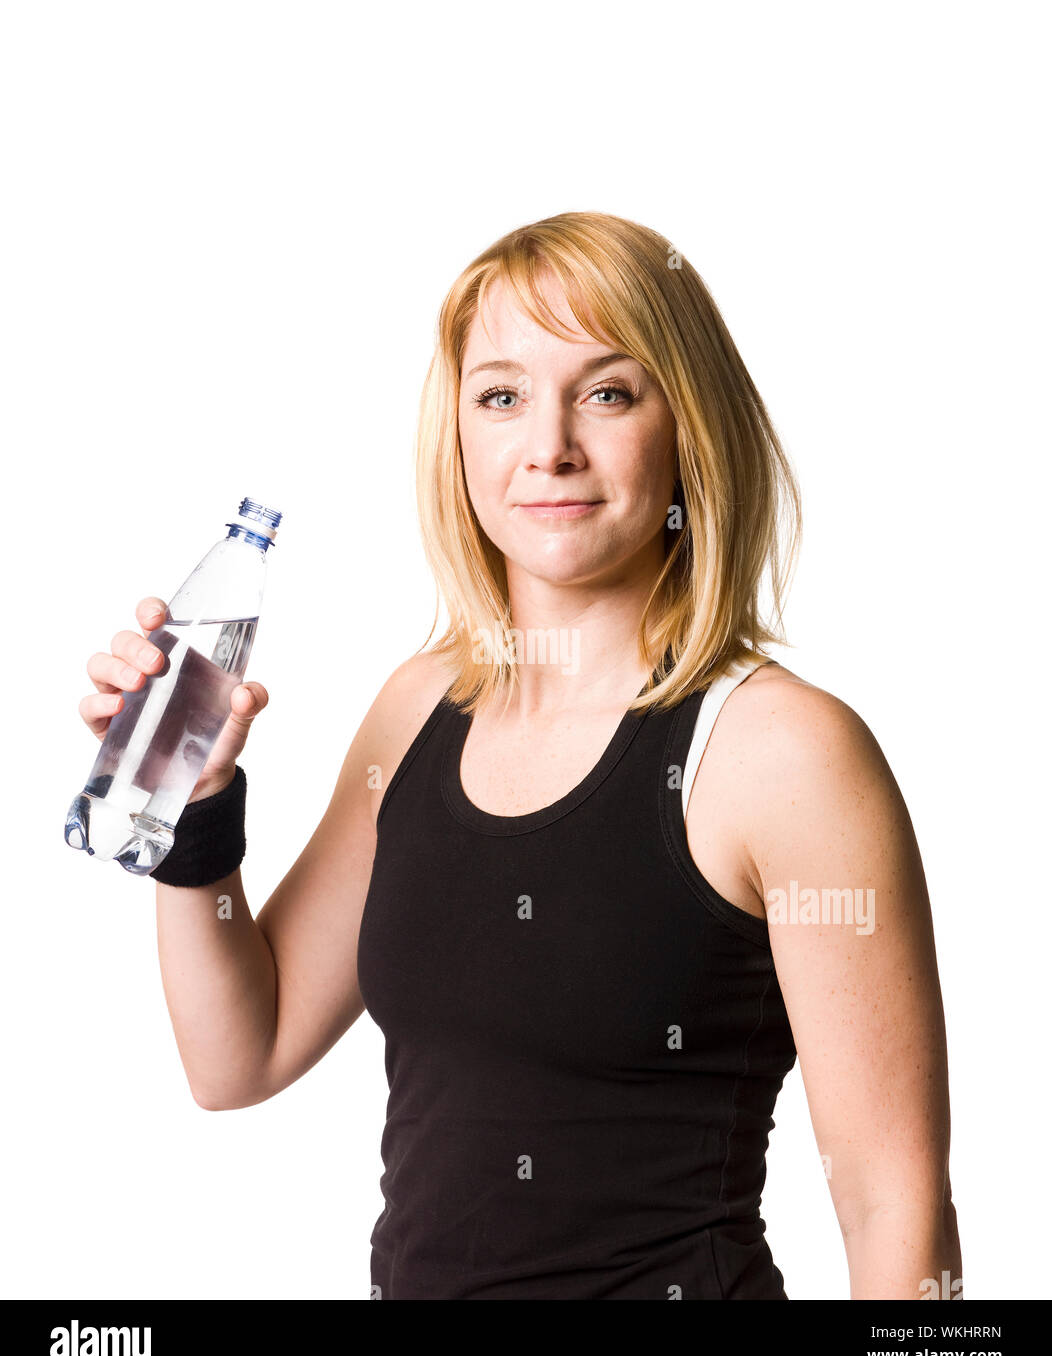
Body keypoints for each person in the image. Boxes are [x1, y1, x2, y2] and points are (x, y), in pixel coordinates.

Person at [79, 211, 961, 1300]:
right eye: (501, 395)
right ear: (459, 437)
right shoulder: (417, 709)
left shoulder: (782, 752)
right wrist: (193, 806)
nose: (548, 444)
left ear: (686, 427)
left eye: (606, 391)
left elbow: (894, 1209)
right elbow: (237, 1055)